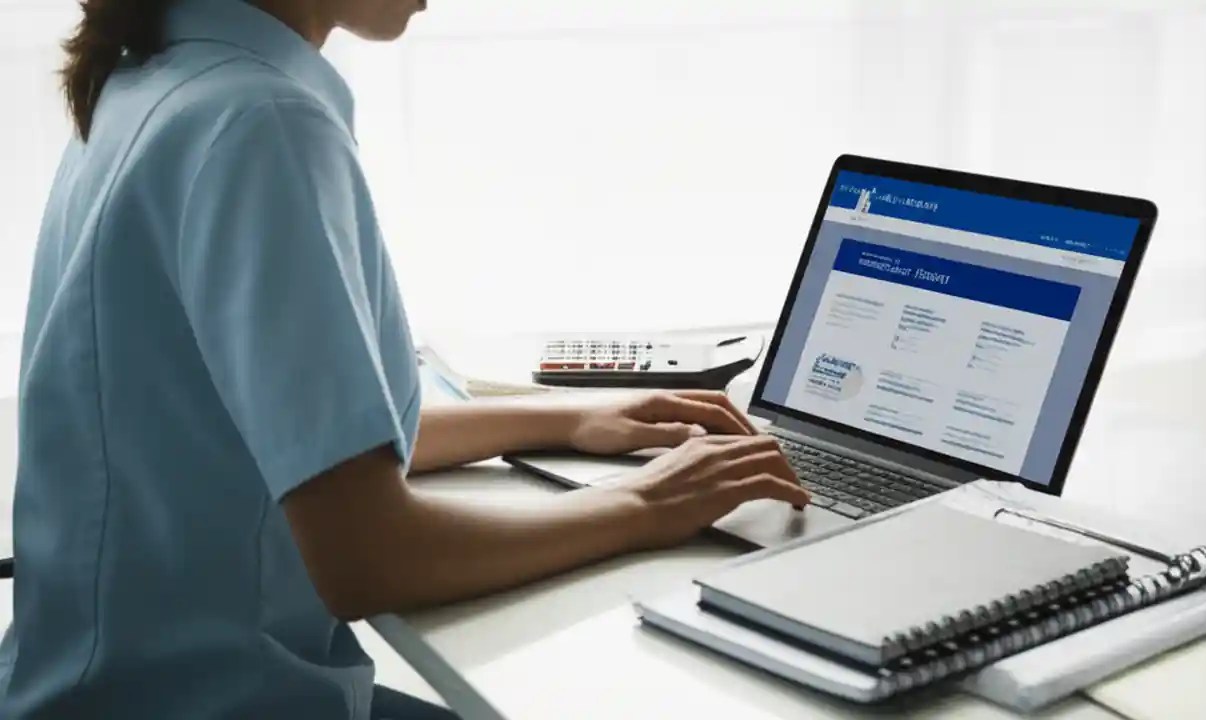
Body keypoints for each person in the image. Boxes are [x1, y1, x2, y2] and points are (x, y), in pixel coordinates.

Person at [0, 0, 809, 717]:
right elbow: (368, 557)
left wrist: (565, 417)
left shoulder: (159, 77)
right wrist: (643, 506)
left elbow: (297, 442)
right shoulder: (260, 122)